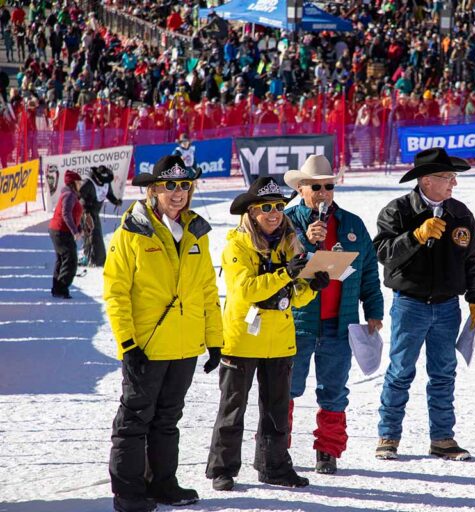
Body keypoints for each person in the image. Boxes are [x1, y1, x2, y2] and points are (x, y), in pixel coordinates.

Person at [103, 155, 223, 512]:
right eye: (169, 185)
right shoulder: (133, 230)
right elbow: (115, 291)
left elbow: (207, 291)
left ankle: (163, 483)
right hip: (147, 346)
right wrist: (128, 343)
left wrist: (214, 341)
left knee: (168, 419)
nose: (178, 192)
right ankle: (129, 492)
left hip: (185, 346)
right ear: (153, 189)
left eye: (184, 185)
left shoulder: (196, 232)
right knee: (135, 420)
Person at [206, 177, 329, 491]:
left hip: (279, 339)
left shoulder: (291, 242)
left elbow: (294, 296)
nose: (274, 213)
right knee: (233, 409)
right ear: (251, 212)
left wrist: (311, 287)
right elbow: (245, 289)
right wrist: (286, 273)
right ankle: (222, 469)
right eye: (265, 207)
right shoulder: (237, 244)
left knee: (276, 413)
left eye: (277, 206)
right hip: (241, 339)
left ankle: (273, 467)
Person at [373, 147, 475, 461]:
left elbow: (473, 261)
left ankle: (442, 438)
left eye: (454, 177)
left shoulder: (460, 213)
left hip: (448, 307)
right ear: (426, 180)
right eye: (447, 177)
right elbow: (383, 253)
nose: (454, 183)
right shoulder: (397, 211)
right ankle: (388, 436)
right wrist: (415, 236)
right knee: (400, 372)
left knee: (443, 374)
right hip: (409, 305)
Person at [283, 155, 384, 474]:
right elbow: (276, 265)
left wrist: (374, 310)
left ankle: (327, 449)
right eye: (317, 186)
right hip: (297, 324)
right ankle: (275, 446)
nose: (324, 191)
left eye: (329, 186)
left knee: (334, 389)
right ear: (301, 189)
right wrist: (306, 242)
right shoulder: (285, 221)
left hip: (340, 324)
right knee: (284, 388)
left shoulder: (352, 224)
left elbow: (368, 270)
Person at [49, 170, 84, 299]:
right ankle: (62, 288)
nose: (80, 184)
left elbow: (74, 215)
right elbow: (66, 213)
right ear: (73, 183)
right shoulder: (69, 195)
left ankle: (57, 289)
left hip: (59, 230)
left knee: (62, 259)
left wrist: (78, 228)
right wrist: (74, 231)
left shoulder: (71, 194)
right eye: (79, 182)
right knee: (70, 259)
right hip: (61, 231)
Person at [79, 165, 121, 267]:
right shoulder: (88, 184)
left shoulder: (106, 182)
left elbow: (108, 194)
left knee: (95, 236)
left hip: (95, 213)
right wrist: (86, 213)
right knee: (90, 236)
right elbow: (79, 198)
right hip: (86, 213)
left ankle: (96, 258)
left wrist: (115, 201)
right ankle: (90, 258)